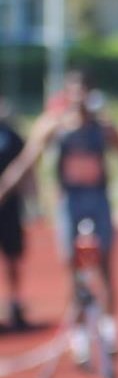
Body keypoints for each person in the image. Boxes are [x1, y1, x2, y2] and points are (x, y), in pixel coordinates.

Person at [0, 69, 118, 361]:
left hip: (97, 200)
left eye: (84, 90)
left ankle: (109, 330)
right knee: (73, 269)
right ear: (67, 93)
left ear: (91, 93)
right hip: (70, 202)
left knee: (104, 265)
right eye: (74, 90)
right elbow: (27, 161)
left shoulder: (104, 128)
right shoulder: (54, 126)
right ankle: (79, 336)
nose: (79, 96)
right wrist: (6, 188)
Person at [0, 97, 35, 331]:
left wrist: (35, 202)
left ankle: (15, 303)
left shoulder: (13, 136)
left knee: (13, 257)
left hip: (10, 207)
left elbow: (27, 169)